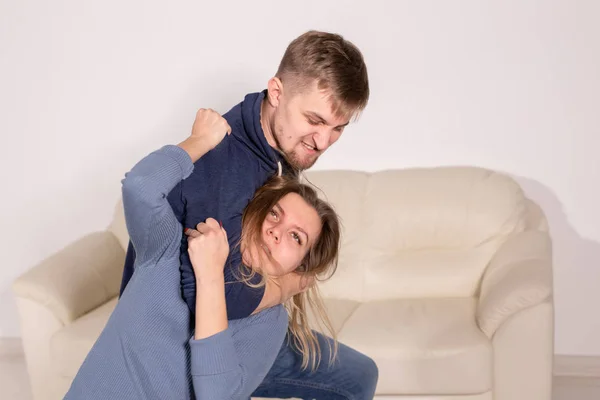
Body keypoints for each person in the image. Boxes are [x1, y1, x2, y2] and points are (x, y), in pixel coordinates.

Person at [119, 30, 378, 399]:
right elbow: (203, 292)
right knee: (352, 380)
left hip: (235, 325)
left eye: (338, 128)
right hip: (179, 345)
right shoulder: (222, 163)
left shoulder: (277, 148)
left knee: (359, 374)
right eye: (314, 120)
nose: (323, 142)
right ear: (276, 92)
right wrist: (289, 284)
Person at [65, 109, 341, 399]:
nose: (276, 232)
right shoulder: (171, 248)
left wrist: (210, 277)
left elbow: (217, 396)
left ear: (300, 265)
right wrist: (198, 141)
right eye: (274, 214)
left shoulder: (270, 322)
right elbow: (140, 188)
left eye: (296, 237)